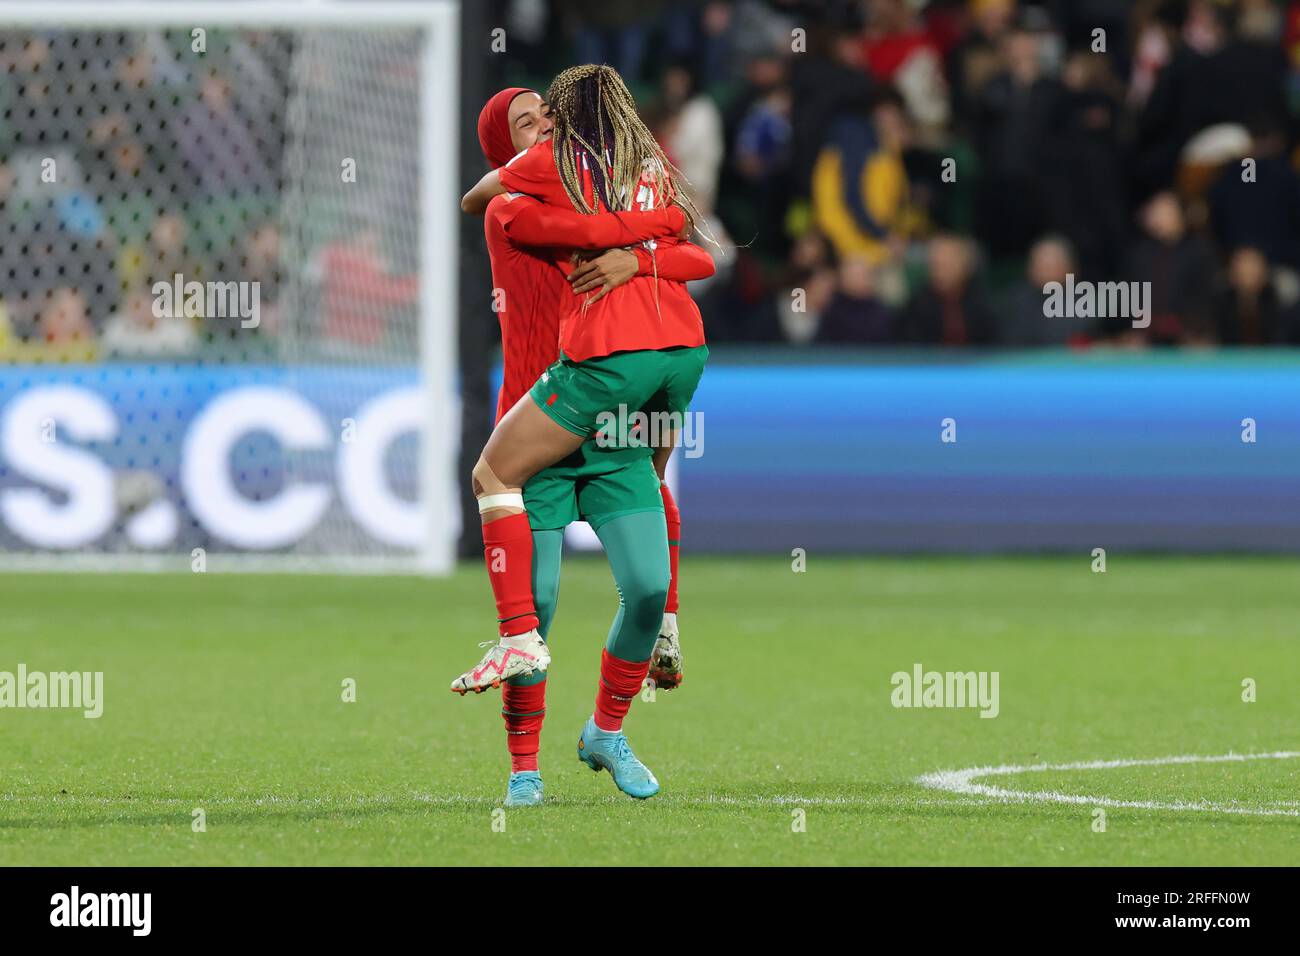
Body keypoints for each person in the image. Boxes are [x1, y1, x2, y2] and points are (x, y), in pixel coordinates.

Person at [458, 83, 714, 804]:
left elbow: (695, 260)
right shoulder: (513, 210)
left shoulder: (596, 191)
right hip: (537, 425)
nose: (544, 120)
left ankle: (608, 728)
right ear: (508, 152)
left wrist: (648, 251)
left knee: (647, 587)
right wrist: (656, 227)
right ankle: (525, 771)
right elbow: (505, 206)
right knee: (535, 607)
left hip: (609, 421)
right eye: (524, 120)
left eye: (548, 110)